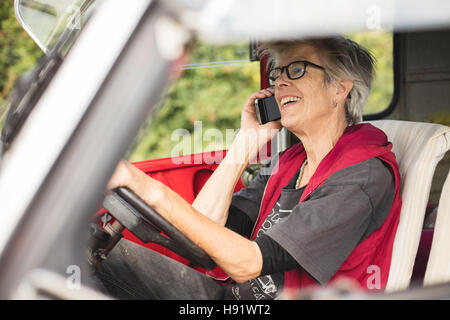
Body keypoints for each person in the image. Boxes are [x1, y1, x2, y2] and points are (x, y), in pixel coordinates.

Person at [93, 35, 402, 300]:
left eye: (296, 70)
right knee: (95, 255)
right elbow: (202, 225)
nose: (280, 82)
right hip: (228, 294)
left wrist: (148, 189)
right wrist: (246, 142)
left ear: (340, 89)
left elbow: (249, 263)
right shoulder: (290, 162)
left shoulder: (362, 176)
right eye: (278, 73)